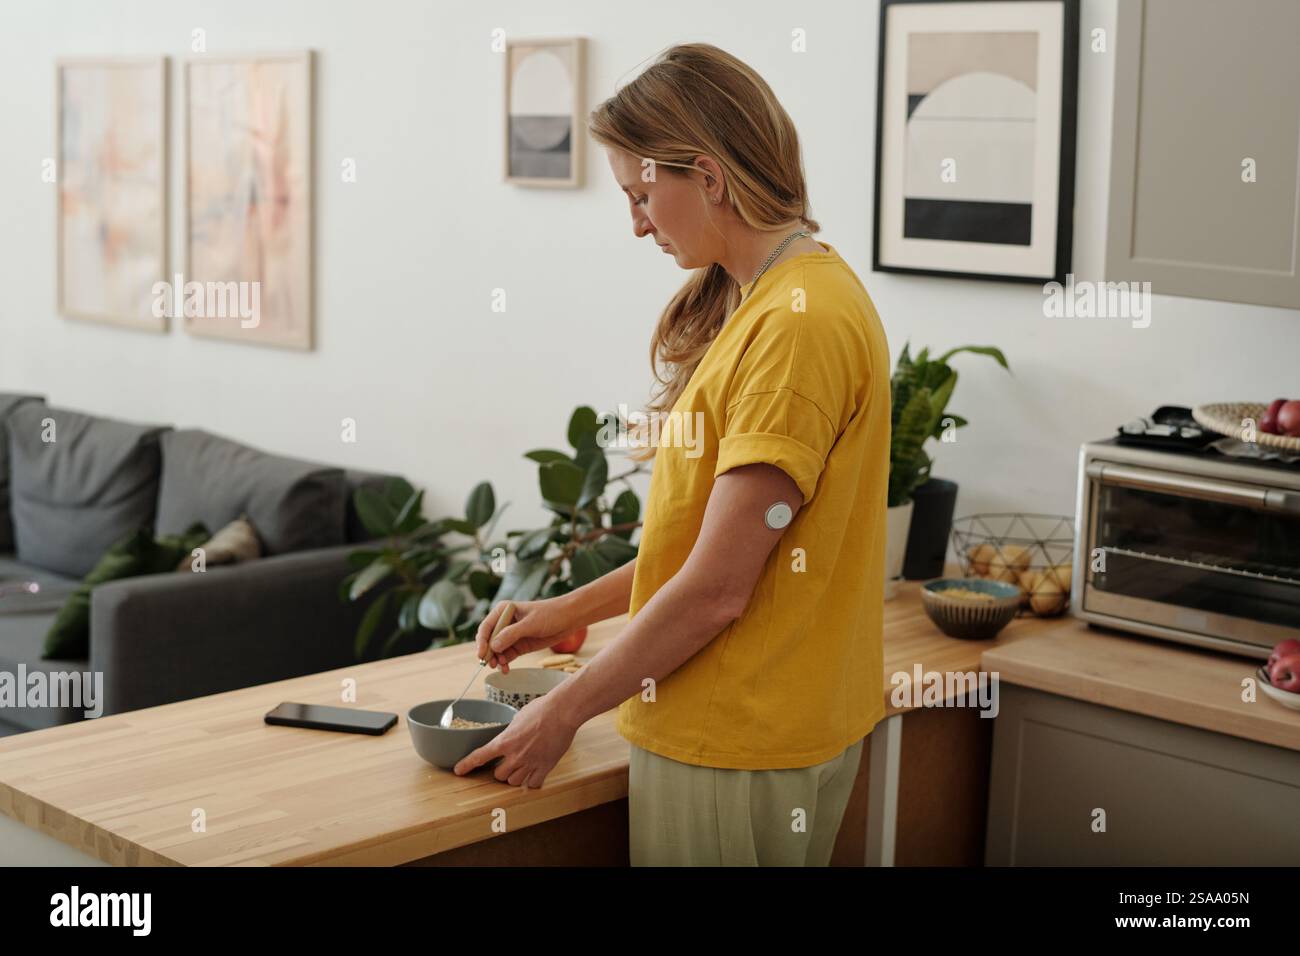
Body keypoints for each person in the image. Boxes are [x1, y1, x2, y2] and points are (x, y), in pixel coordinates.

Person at [454, 42, 891, 867]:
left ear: (708, 175)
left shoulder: (794, 326)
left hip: (732, 739)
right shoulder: (795, 296)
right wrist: (567, 613)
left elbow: (718, 593)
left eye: (642, 192)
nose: (637, 222)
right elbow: (712, 550)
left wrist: (560, 713)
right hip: (775, 726)